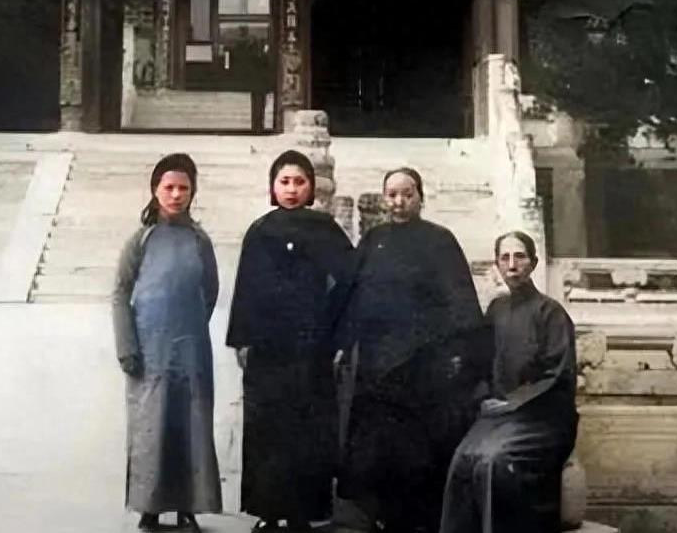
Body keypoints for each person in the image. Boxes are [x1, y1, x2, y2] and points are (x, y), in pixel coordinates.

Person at [336, 168, 487, 533]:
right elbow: (351, 295)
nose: (399, 202)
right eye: (392, 195)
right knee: (376, 450)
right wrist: (342, 342)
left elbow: (459, 301)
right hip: (376, 363)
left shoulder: (439, 241)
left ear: (421, 197)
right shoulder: (374, 241)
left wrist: (456, 353)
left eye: (407, 194)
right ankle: (378, 516)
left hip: (423, 363)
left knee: (419, 452)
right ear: (384, 199)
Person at [227, 150, 353, 533]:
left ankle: (302, 513)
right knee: (267, 427)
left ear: (311, 187)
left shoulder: (325, 229)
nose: (292, 189)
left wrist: (337, 334)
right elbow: (245, 289)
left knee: (308, 428)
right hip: (268, 347)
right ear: (273, 186)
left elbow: (349, 283)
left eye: (299, 182)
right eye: (285, 182)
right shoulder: (260, 231)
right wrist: (242, 340)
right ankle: (268, 511)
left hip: (310, 346)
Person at [439, 231, 578, 533]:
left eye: (520, 257)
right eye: (505, 258)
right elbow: (480, 364)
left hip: (541, 418)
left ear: (534, 262)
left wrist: (512, 404)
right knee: (463, 459)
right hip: (498, 416)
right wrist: (482, 397)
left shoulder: (551, 313)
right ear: (498, 265)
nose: (512, 265)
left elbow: (559, 375)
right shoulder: (496, 310)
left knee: (493, 462)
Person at [112, 153, 222, 532]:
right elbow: (120, 293)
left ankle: (189, 507)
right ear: (155, 190)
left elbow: (210, 290)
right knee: (150, 427)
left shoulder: (199, 240)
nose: (176, 195)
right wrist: (127, 345)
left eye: (184, 188)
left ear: (193, 193)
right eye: (169, 188)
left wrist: (189, 325)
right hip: (148, 349)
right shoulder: (139, 241)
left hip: (190, 348)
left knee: (189, 423)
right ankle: (150, 508)